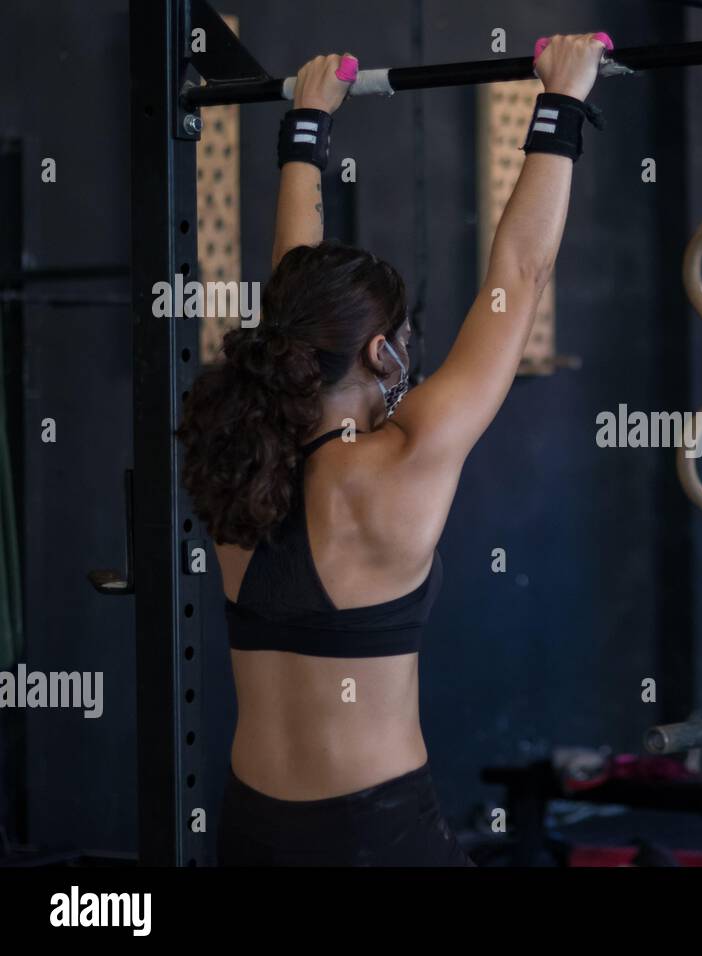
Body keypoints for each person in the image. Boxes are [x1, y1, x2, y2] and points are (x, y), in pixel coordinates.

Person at [176, 35, 609, 865]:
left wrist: (307, 124)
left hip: (252, 830)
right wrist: (559, 104)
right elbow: (517, 272)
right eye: (404, 337)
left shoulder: (241, 467)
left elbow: (293, 296)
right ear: (382, 353)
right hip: (375, 835)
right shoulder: (402, 459)